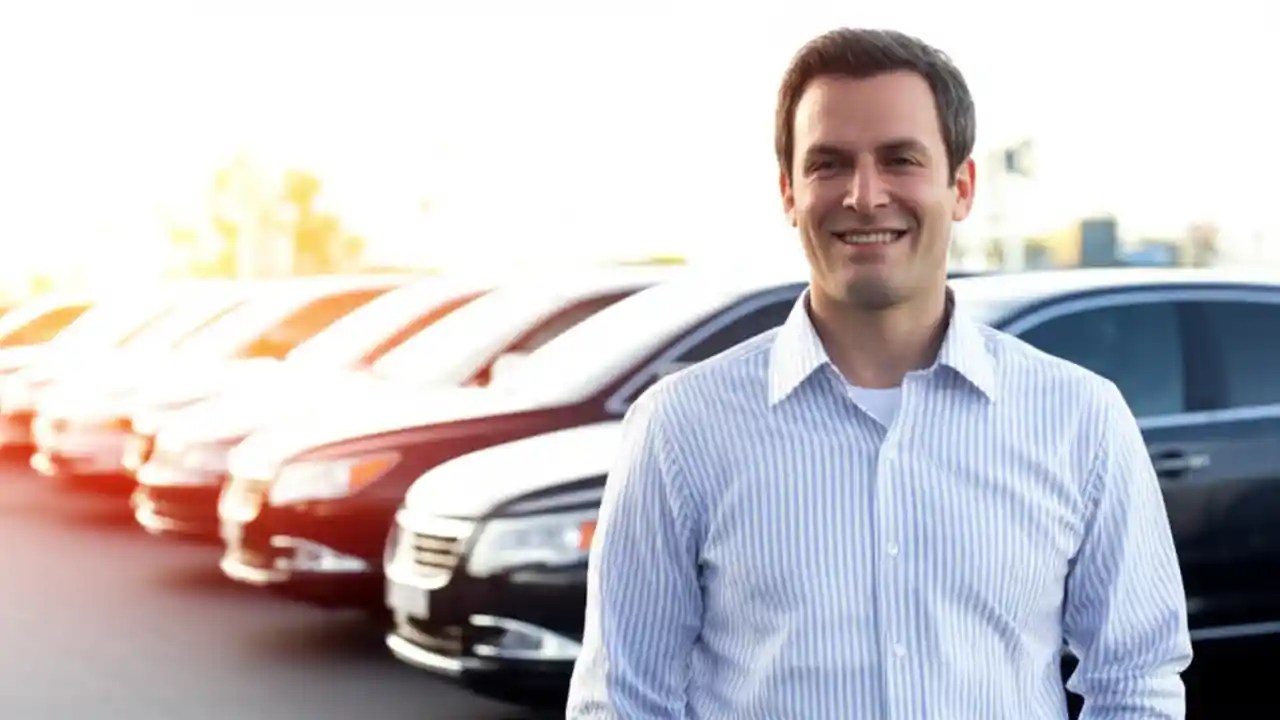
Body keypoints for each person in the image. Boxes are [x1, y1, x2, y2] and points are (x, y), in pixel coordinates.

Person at [565, 27, 1192, 719]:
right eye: (828, 164)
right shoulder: (680, 427)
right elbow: (623, 700)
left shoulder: (1081, 418)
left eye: (900, 159)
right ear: (788, 193)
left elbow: (1137, 678)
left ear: (961, 186)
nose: (864, 195)